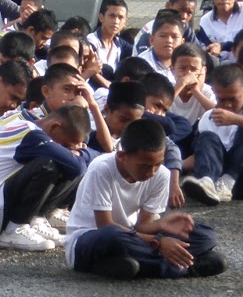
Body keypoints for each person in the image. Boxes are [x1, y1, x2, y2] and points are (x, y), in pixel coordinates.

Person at [65, 117, 223, 280]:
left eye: (157, 164)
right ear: (122, 156)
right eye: (144, 166)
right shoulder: (101, 168)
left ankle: (129, 264)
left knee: (205, 235)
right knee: (113, 235)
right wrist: (158, 243)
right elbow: (105, 225)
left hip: (132, 236)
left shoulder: (162, 175)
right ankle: (183, 267)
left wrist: (161, 225)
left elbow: (142, 226)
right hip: (91, 240)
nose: (151, 172)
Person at [0, 104, 92, 251]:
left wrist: (79, 154)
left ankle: (37, 220)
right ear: (54, 127)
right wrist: (80, 154)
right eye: (66, 144)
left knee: (66, 164)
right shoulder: (30, 134)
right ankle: (15, 229)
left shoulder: (32, 128)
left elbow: (82, 165)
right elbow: (78, 166)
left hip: (0, 202)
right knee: (49, 165)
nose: (68, 149)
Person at [184, 63, 243, 203]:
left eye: (233, 99)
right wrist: (174, 167)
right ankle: (207, 181)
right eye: (221, 99)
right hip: (217, 179)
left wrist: (236, 119)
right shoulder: (208, 117)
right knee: (206, 137)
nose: (227, 105)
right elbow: (201, 153)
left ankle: (228, 181)